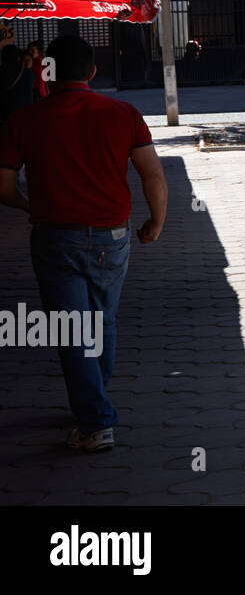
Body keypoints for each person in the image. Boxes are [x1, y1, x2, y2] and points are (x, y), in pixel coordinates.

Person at [0, 34, 168, 452]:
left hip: (55, 236)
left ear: (48, 71)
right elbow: (153, 175)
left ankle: (95, 422)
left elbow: (2, 187)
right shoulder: (124, 113)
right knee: (101, 322)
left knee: (72, 329)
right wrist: (156, 223)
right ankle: (93, 398)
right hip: (113, 235)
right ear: (92, 72)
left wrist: (27, 204)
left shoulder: (24, 120)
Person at [0, 44, 35, 123]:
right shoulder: (28, 72)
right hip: (26, 114)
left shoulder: (2, 71)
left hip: (6, 116)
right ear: (18, 57)